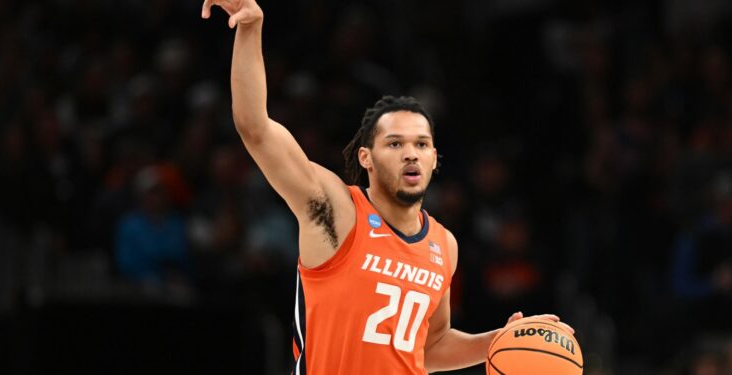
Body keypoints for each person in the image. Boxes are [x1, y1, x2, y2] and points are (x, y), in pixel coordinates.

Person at [201, 1, 574, 373]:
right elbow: (256, 129)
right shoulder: (337, 210)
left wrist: (499, 340)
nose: (410, 154)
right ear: (366, 158)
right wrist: (250, 29)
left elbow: (431, 345)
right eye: (395, 144)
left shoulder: (444, 245)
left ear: (434, 159)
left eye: (421, 144)